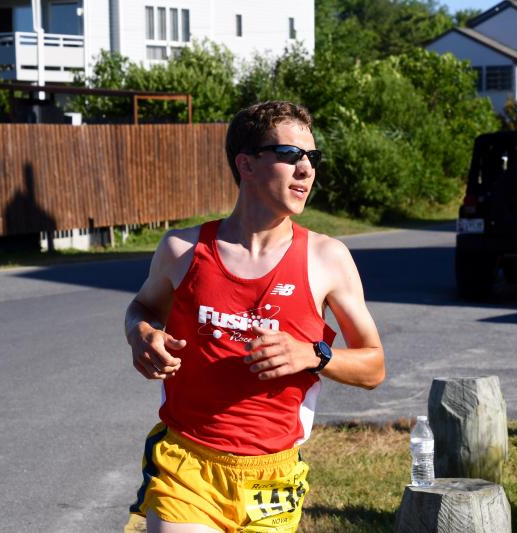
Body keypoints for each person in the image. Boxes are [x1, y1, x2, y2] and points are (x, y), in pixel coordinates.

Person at [123, 101, 385, 533]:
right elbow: (143, 308)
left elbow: (373, 365)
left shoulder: (326, 258)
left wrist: (314, 354)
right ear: (246, 164)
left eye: (312, 158)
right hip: (189, 463)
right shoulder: (181, 250)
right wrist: (141, 333)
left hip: (273, 475)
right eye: (290, 156)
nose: (306, 170)